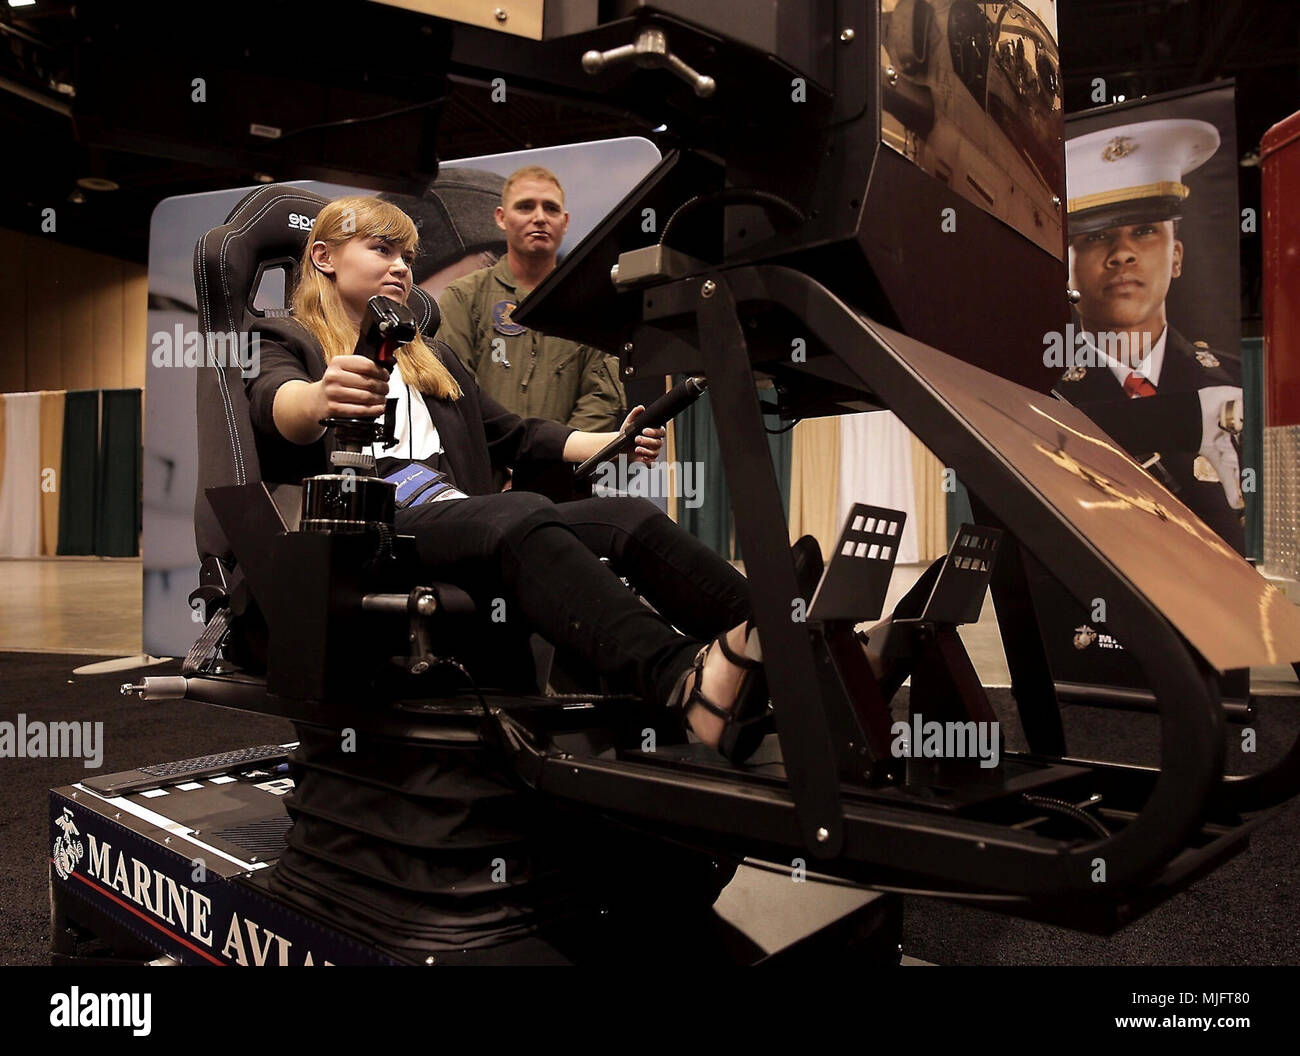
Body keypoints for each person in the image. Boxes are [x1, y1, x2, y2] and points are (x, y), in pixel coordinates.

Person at [244, 194, 768, 762]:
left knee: (629, 517)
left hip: (452, 514)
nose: (401, 266)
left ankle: (792, 649)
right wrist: (322, 396)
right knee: (516, 511)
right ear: (323, 257)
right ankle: (682, 680)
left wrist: (611, 440)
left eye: (408, 257)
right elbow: (279, 405)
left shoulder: (431, 356)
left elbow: (516, 434)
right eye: (381, 249)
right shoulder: (286, 340)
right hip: (372, 528)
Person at [1057, 118, 1245, 552]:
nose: (1121, 253)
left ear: (1176, 256)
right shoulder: (1041, 396)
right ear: (1066, 266)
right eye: (1095, 236)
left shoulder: (1232, 386)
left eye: (1143, 231)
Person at [434, 165, 626, 434]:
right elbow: (454, 388)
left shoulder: (592, 304)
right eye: (525, 207)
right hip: (483, 468)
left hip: (564, 468)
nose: (539, 218)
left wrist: (553, 457)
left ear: (565, 221)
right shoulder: (464, 296)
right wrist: (507, 452)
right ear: (501, 218)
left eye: (551, 208)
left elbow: (602, 397)